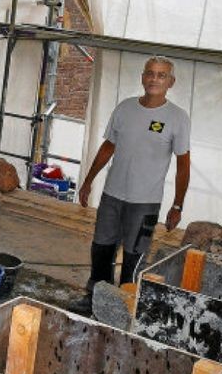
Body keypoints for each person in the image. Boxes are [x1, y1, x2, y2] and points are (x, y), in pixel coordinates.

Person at [78, 55, 190, 295]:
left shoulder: (177, 118)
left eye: (161, 75)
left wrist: (177, 205)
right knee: (101, 248)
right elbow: (108, 146)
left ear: (171, 82)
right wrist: (88, 181)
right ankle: (95, 296)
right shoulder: (125, 108)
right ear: (142, 77)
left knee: (134, 256)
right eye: (150, 73)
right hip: (112, 195)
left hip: (145, 203)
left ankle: (126, 302)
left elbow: (183, 164)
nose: (154, 79)